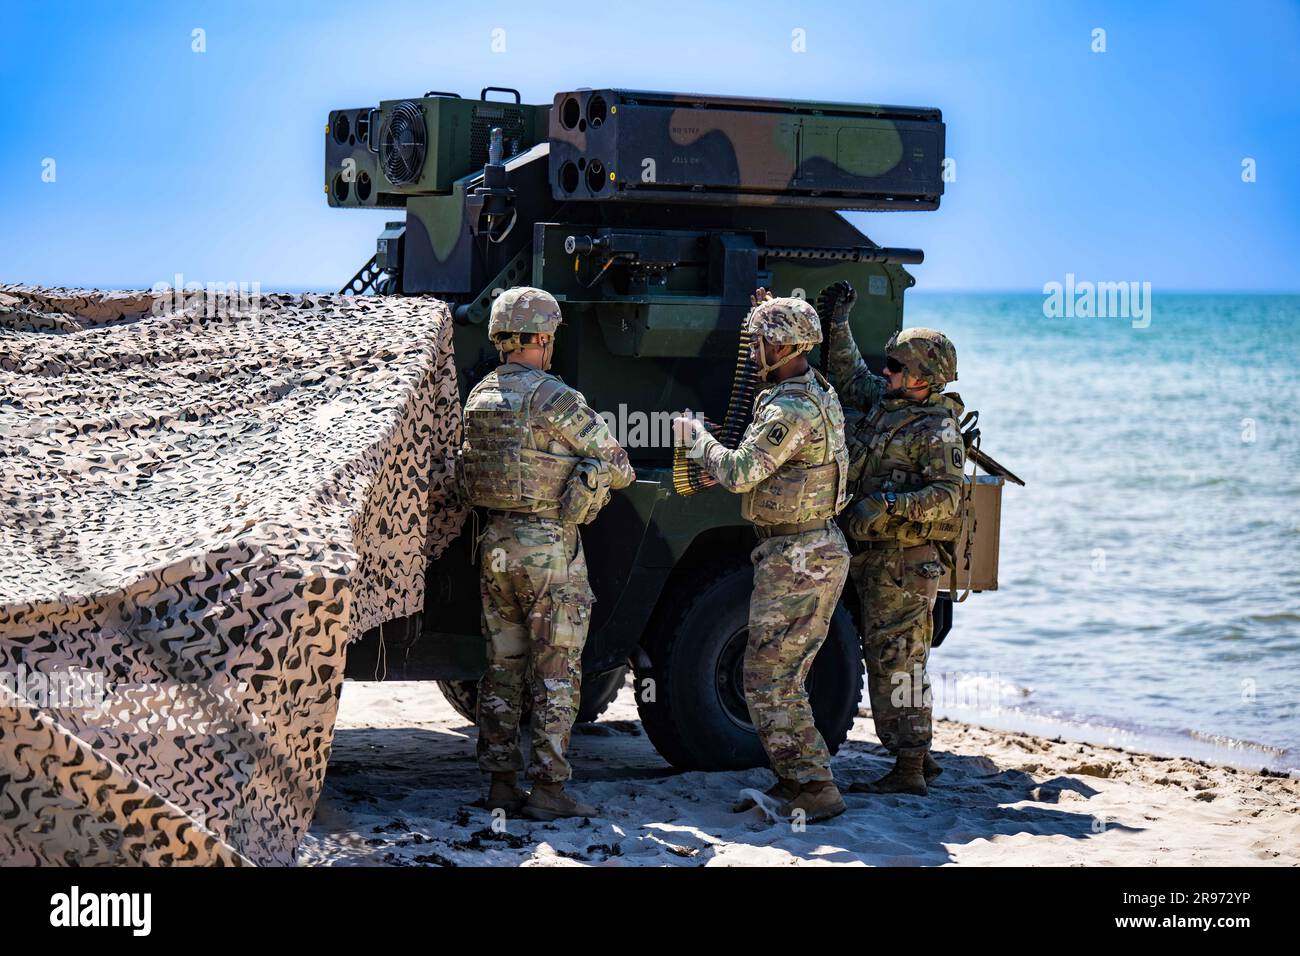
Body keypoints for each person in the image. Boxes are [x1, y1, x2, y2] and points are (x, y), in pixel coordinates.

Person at [673, 289, 851, 823]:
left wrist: (695, 436)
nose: (753, 348)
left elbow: (739, 472)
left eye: (760, 339)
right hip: (807, 547)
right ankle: (800, 778)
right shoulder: (812, 388)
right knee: (782, 673)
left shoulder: (791, 406)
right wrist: (774, 310)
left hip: (799, 554)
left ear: (781, 345)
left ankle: (815, 786)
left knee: (769, 678)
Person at [460, 286, 634, 819]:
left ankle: (500, 784)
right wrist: (594, 475)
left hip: (494, 546)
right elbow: (619, 464)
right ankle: (551, 790)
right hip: (547, 548)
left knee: (503, 667)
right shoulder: (554, 397)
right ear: (542, 337)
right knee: (556, 668)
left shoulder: (480, 396)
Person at [823, 280, 964, 796]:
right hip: (878, 559)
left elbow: (947, 496)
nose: (888, 372)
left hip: (906, 561)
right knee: (891, 656)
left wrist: (886, 507)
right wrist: (837, 325)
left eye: (898, 367)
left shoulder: (937, 430)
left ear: (925, 378)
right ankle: (918, 759)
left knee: (898, 662)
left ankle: (908, 769)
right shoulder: (887, 404)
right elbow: (848, 375)